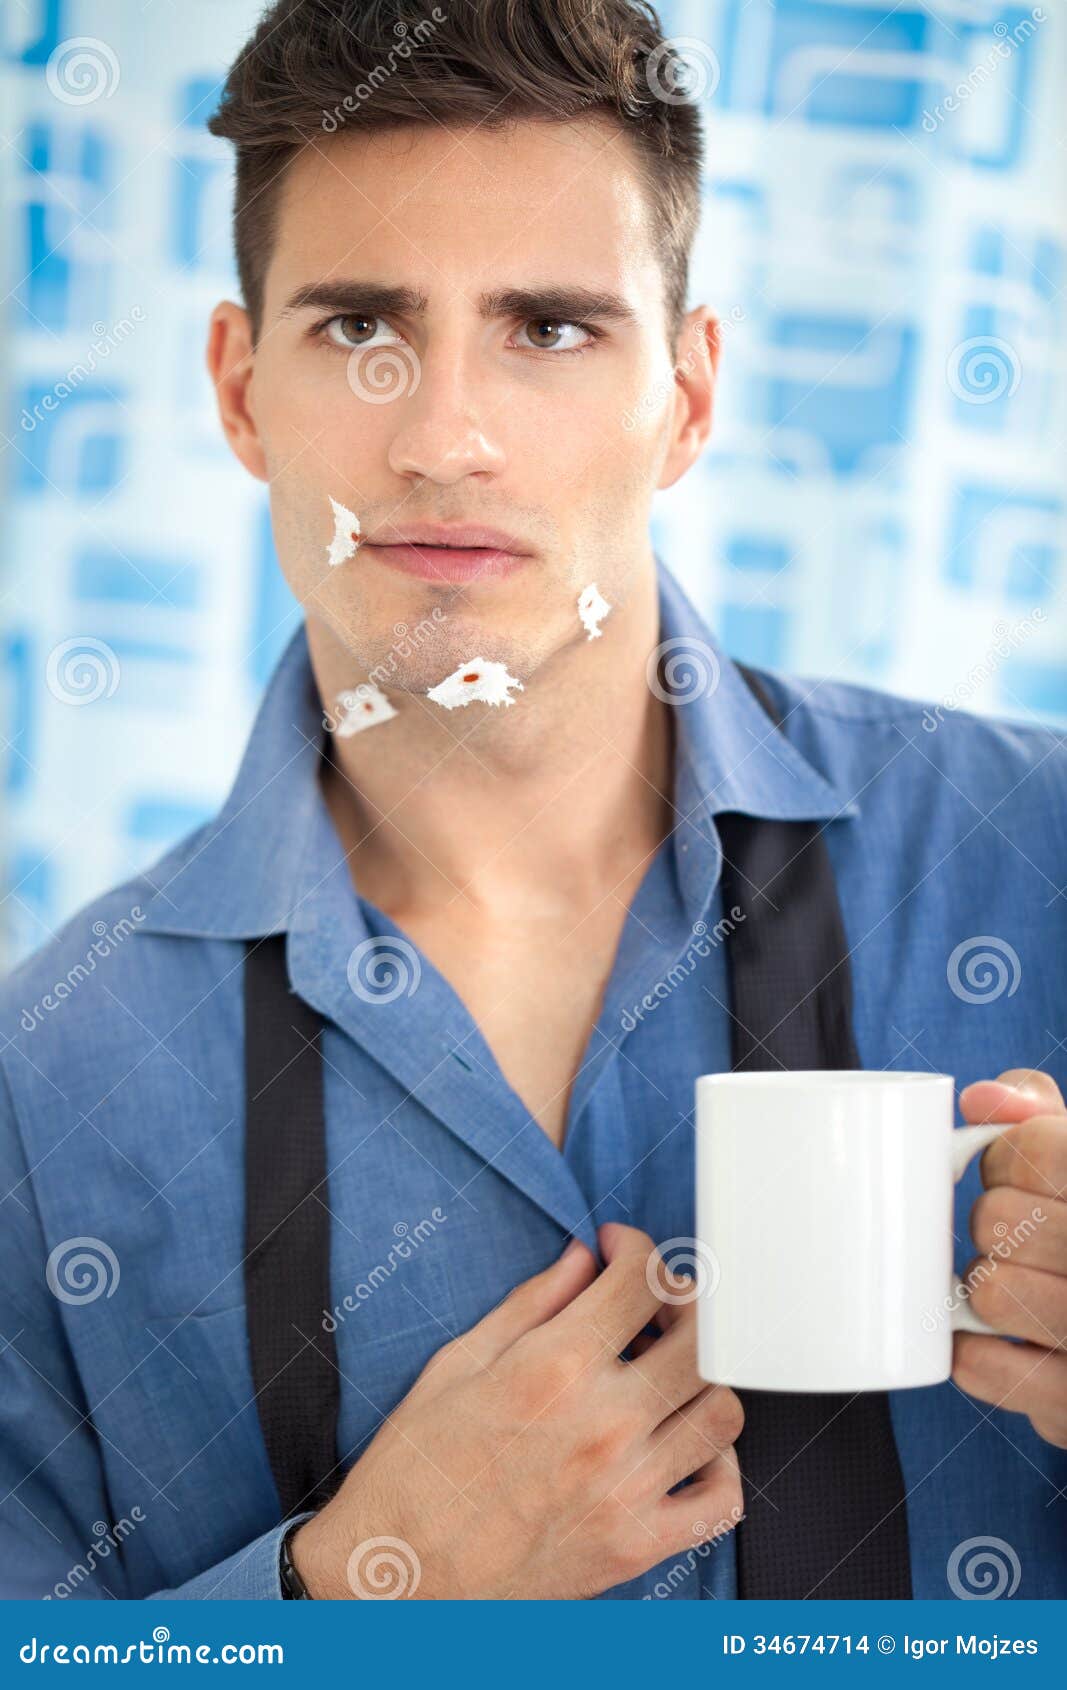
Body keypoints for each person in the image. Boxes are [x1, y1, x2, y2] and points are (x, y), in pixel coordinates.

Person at [1, 0, 1064, 1602]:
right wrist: (363, 1591)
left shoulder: (1040, 860)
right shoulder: (43, 1085)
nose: (447, 438)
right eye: (360, 327)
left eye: (551, 329)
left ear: (688, 399)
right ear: (238, 391)